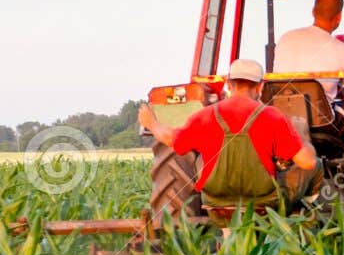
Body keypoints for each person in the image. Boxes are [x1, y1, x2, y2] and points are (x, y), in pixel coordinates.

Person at [137, 58, 322, 212]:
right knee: (315, 164)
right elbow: (307, 163)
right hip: (266, 205)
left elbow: (170, 139)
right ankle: (307, 212)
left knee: (202, 158)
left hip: (215, 204)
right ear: (260, 87)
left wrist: (152, 124)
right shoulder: (273, 116)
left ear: (228, 84)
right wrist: (303, 138)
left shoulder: (204, 115)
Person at [274, 0, 344, 97]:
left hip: (280, 108)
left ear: (313, 12)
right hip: (320, 113)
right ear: (339, 17)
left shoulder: (285, 38)